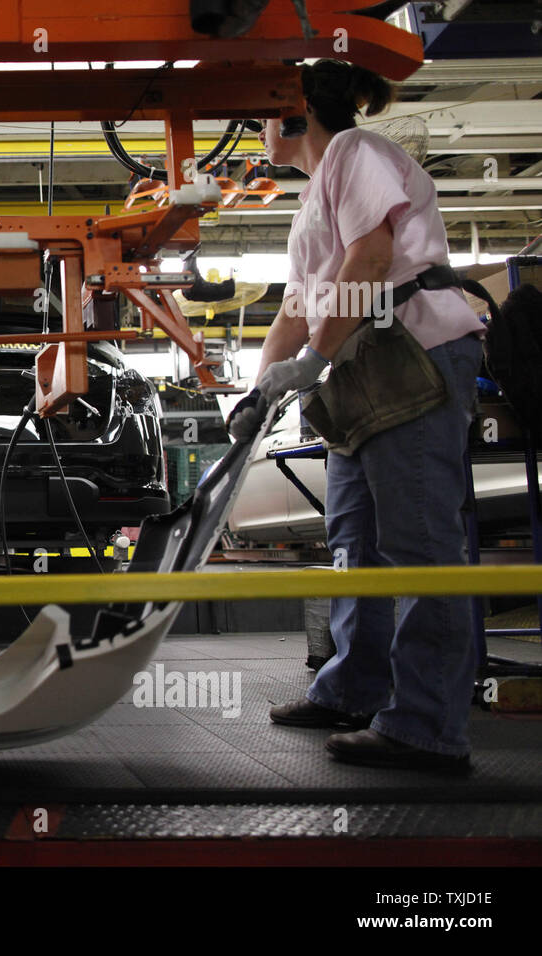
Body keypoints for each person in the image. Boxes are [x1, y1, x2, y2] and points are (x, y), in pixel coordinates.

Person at [230, 60, 485, 774]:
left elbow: (372, 255)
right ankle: (352, 688)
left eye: (261, 113)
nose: (254, 130)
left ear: (297, 109)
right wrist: (257, 394)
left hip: (411, 359)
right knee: (353, 543)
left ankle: (428, 728)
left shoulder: (355, 152)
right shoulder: (312, 197)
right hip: (362, 375)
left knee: (421, 547)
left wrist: (312, 360)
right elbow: (294, 306)